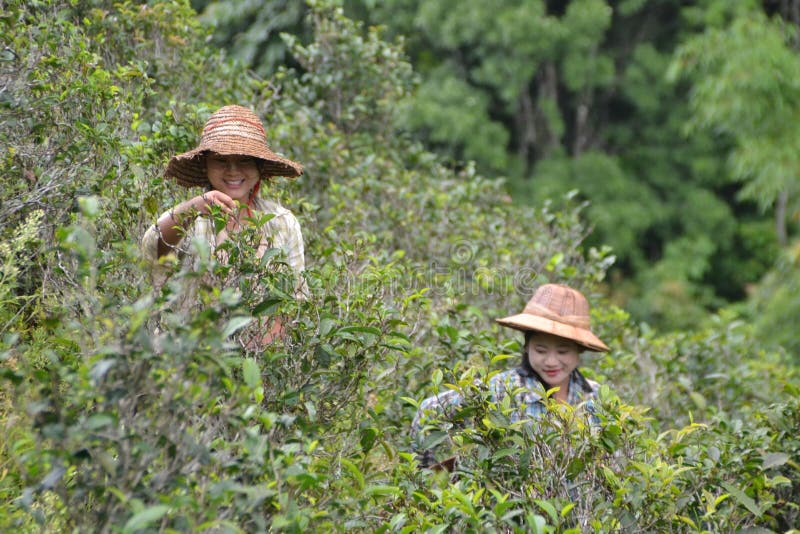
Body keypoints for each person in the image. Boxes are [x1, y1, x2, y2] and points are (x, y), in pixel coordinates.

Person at [141, 105, 307, 343]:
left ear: (259, 166)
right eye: (221, 160)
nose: (233, 171)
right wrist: (194, 207)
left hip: (260, 361)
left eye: (244, 160)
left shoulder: (282, 222)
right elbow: (152, 248)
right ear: (205, 164)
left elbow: (296, 300)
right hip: (189, 358)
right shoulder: (191, 217)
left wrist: (263, 347)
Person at [410, 283, 609, 469]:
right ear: (526, 347)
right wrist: (425, 476)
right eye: (540, 350)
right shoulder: (500, 388)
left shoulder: (594, 395)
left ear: (579, 351)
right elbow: (429, 410)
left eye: (563, 352)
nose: (551, 361)